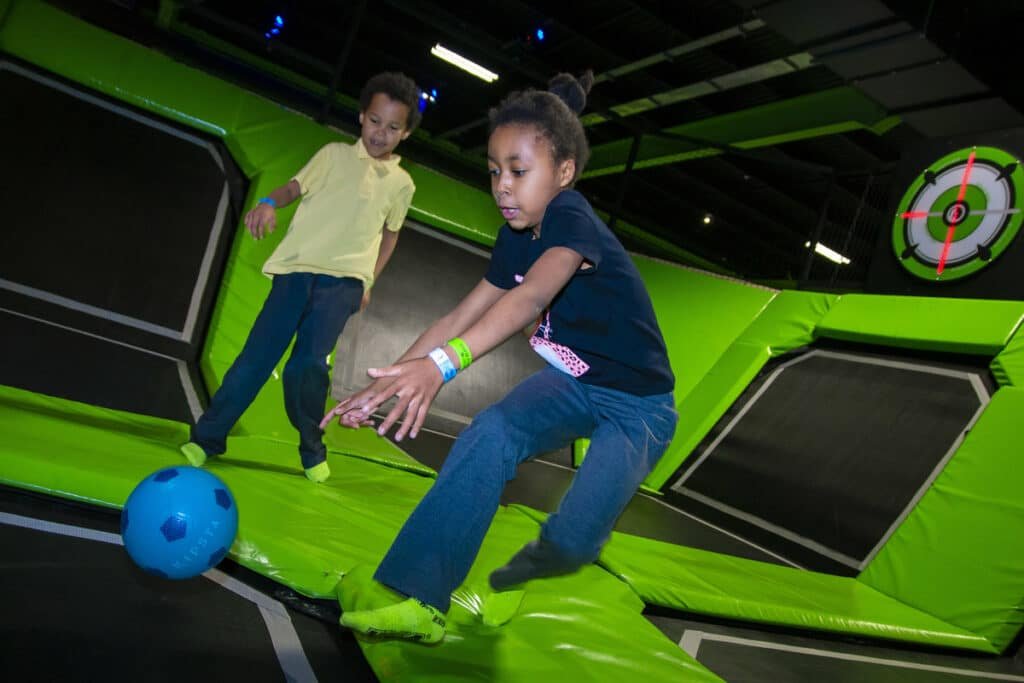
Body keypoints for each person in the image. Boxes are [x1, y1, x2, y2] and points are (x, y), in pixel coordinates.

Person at [322, 70, 678, 643]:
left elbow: (531, 295)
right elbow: (457, 316)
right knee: (491, 433)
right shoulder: (514, 236)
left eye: (518, 171)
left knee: (574, 541)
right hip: (573, 382)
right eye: (494, 172)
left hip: (639, 409)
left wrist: (442, 367)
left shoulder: (570, 216)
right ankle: (423, 599)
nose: (502, 186)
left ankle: (513, 579)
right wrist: (384, 385)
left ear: (562, 174)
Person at [180, 72, 421, 483]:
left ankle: (312, 449)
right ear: (362, 116)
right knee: (256, 359)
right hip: (295, 273)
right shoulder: (332, 155)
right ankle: (207, 439)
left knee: (307, 367)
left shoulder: (401, 184)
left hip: (342, 285)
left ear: (406, 133)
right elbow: (294, 187)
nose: (381, 133)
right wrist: (270, 202)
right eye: (375, 121)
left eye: (393, 127)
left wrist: (368, 281)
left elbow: (391, 234)